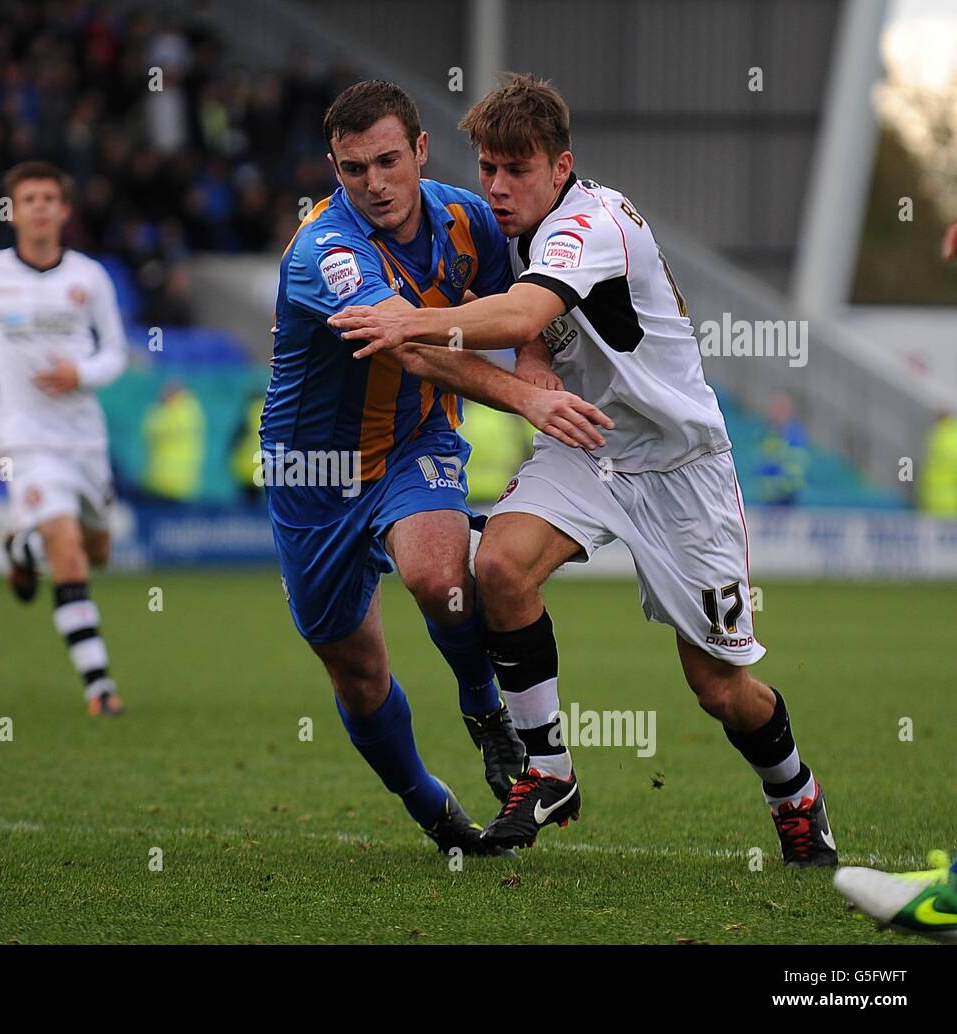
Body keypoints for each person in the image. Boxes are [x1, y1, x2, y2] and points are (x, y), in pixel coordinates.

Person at [331, 73, 835, 866]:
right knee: (497, 565)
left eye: (517, 170)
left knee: (720, 688)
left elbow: (525, 313)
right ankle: (550, 770)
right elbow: (518, 335)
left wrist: (411, 320)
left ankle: (795, 792)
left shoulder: (588, 223)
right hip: (588, 448)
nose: (496, 188)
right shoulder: (515, 230)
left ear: (560, 167)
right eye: (488, 168)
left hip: (679, 468)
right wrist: (499, 368)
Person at [265, 80, 612, 855]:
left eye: (389, 161)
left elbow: (519, 298)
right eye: (353, 170)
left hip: (413, 443)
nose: (375, 184)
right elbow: (414, 346)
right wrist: (526, 397)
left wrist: (529, 353)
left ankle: (487, 714)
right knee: (357, 675)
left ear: (420, 150)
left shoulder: (468, 217)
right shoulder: (328, 252)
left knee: (440, 577)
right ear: (335, 168)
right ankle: (433, 809)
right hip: (312, 476)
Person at [0, 161, 129, 717]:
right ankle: (99, 686)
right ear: (13, 210)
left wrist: (82, 374)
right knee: (67, 548)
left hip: (84, 440)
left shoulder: (89, 277)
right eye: (30, 199)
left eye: (50, 197)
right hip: (24, 439)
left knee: (97, 550)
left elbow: (115, 351)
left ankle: (21, 546)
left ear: (65, 210)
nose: (41, 207)